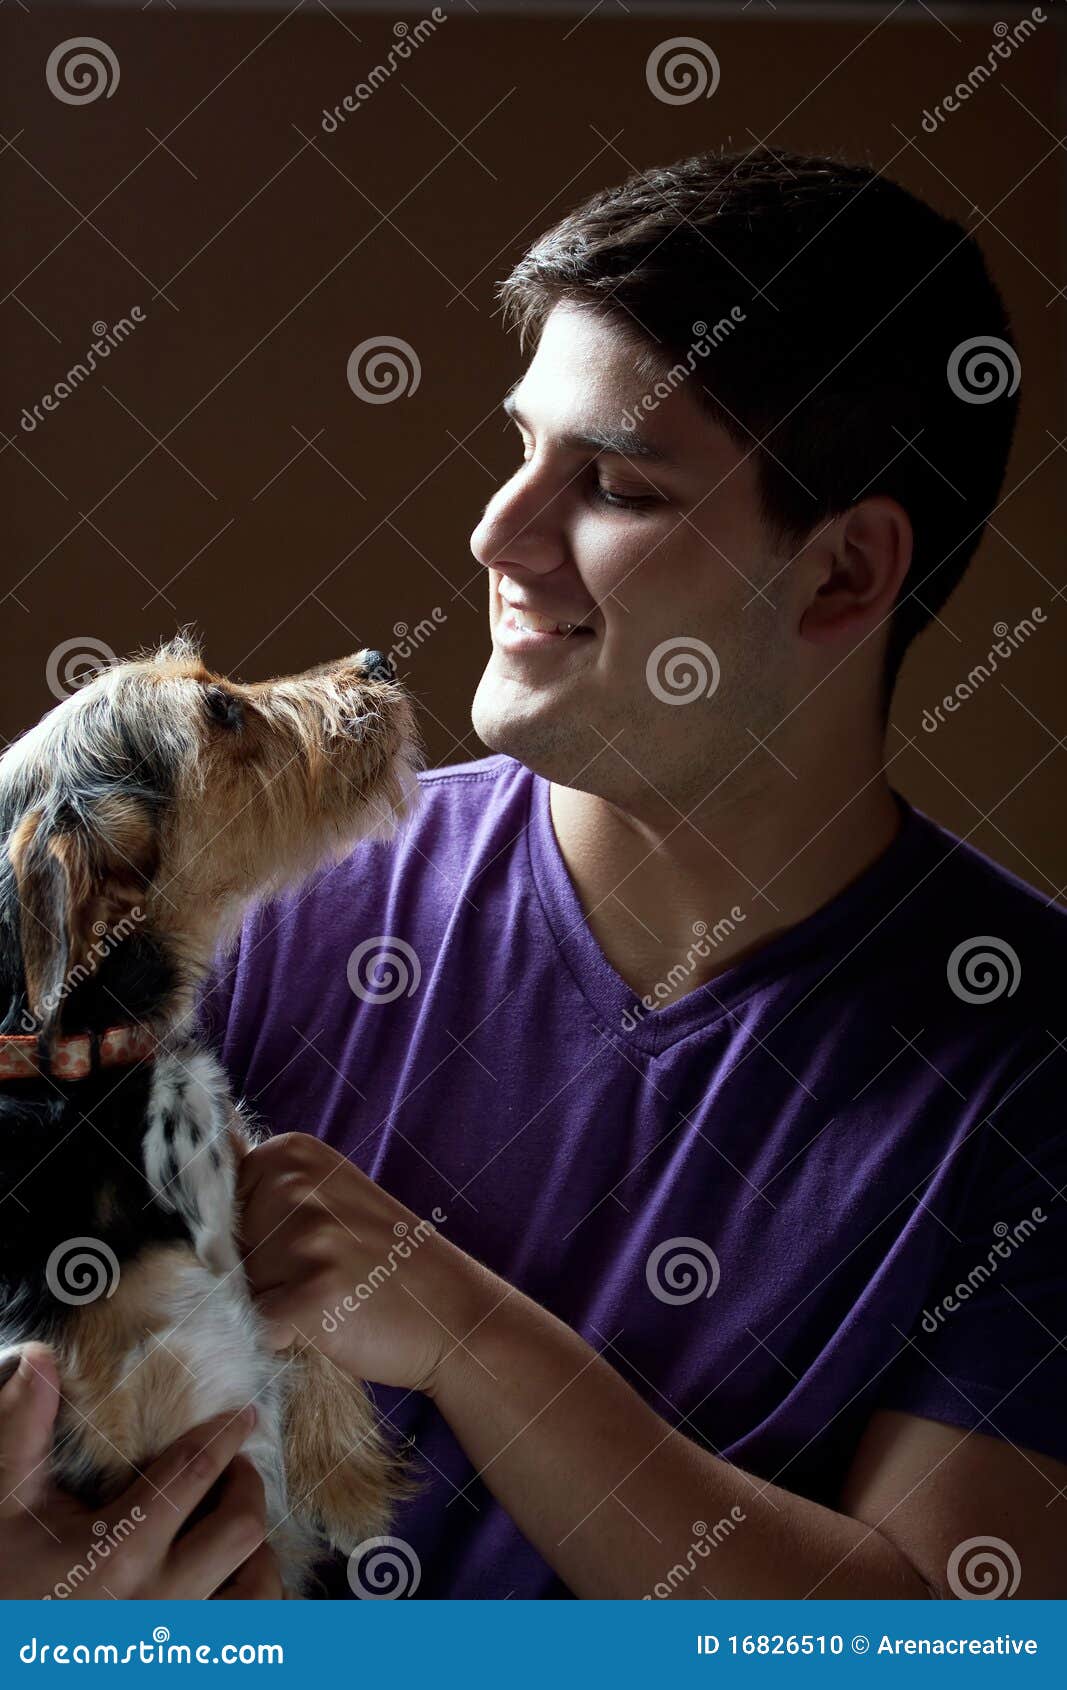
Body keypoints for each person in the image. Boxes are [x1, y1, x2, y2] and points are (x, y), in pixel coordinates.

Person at [4, 148, 1064, 1599]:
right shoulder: (248, 904)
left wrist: (465, 1330)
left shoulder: (1029, 1067)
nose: (496, 534)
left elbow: (945, 1641)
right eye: (522, 447)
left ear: (843, 576)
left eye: (615, 485)